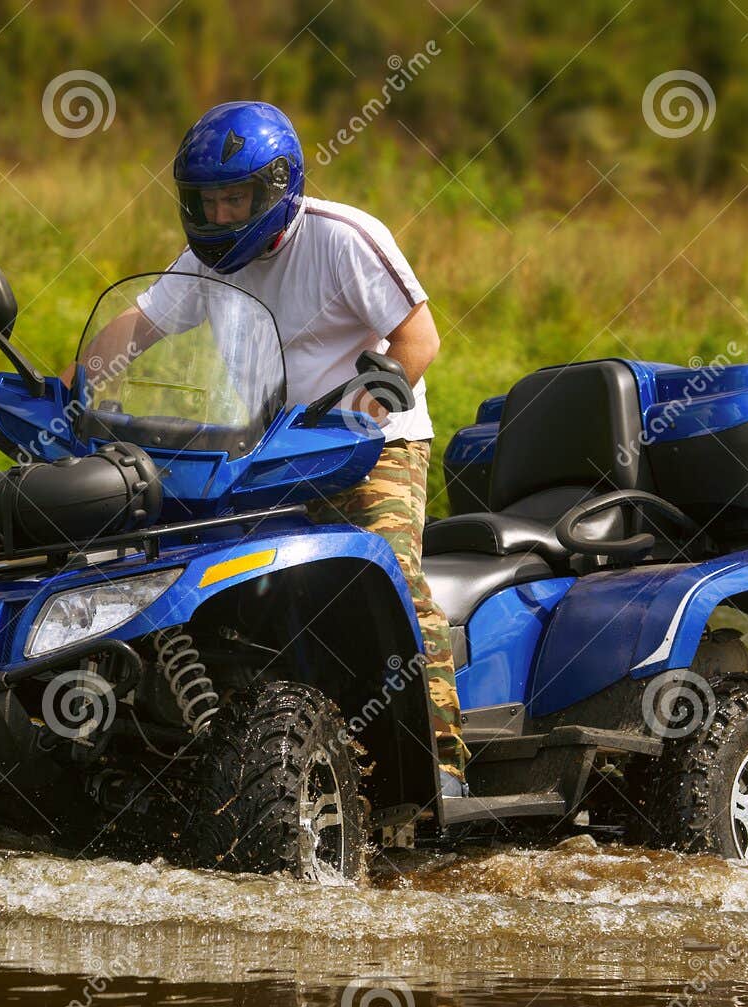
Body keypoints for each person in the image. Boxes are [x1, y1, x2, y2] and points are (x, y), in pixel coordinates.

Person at [74, 101, 467, 798]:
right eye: (208, 201)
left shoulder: (344, 239)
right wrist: (81, 382)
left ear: (277, 186)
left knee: (396, 582)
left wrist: (360, 414)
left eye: (236, 198)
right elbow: (142, 325)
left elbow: (419, 341)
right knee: (215, 585)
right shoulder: (204, 260)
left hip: (371, 446)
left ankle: (441, 762)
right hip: (265, 454)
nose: (222, 215)